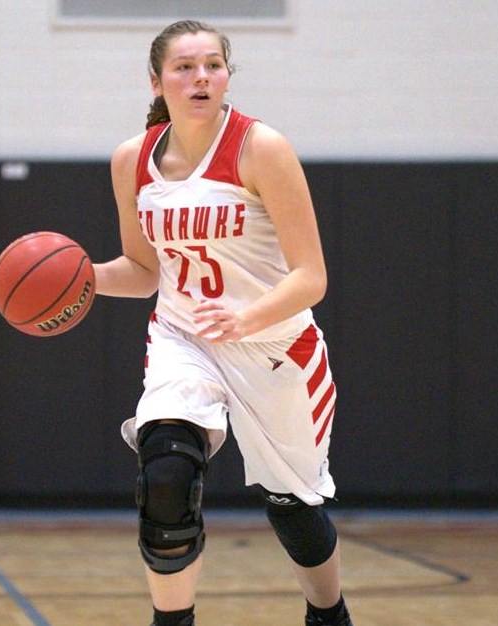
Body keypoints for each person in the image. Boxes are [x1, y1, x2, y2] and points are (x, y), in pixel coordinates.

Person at [92, 19, 353, 626]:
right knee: (166, 478)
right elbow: (143, 268)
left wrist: (246, 315)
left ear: (227, 74)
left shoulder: (261, 147)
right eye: (184, 67)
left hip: (274, 345)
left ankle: (329, 614)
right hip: (185, 337)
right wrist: (85, 276)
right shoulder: (133, 160)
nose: (201, 77)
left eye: (213, 64)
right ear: (157, 80)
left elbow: (311, 276)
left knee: (292, 506)